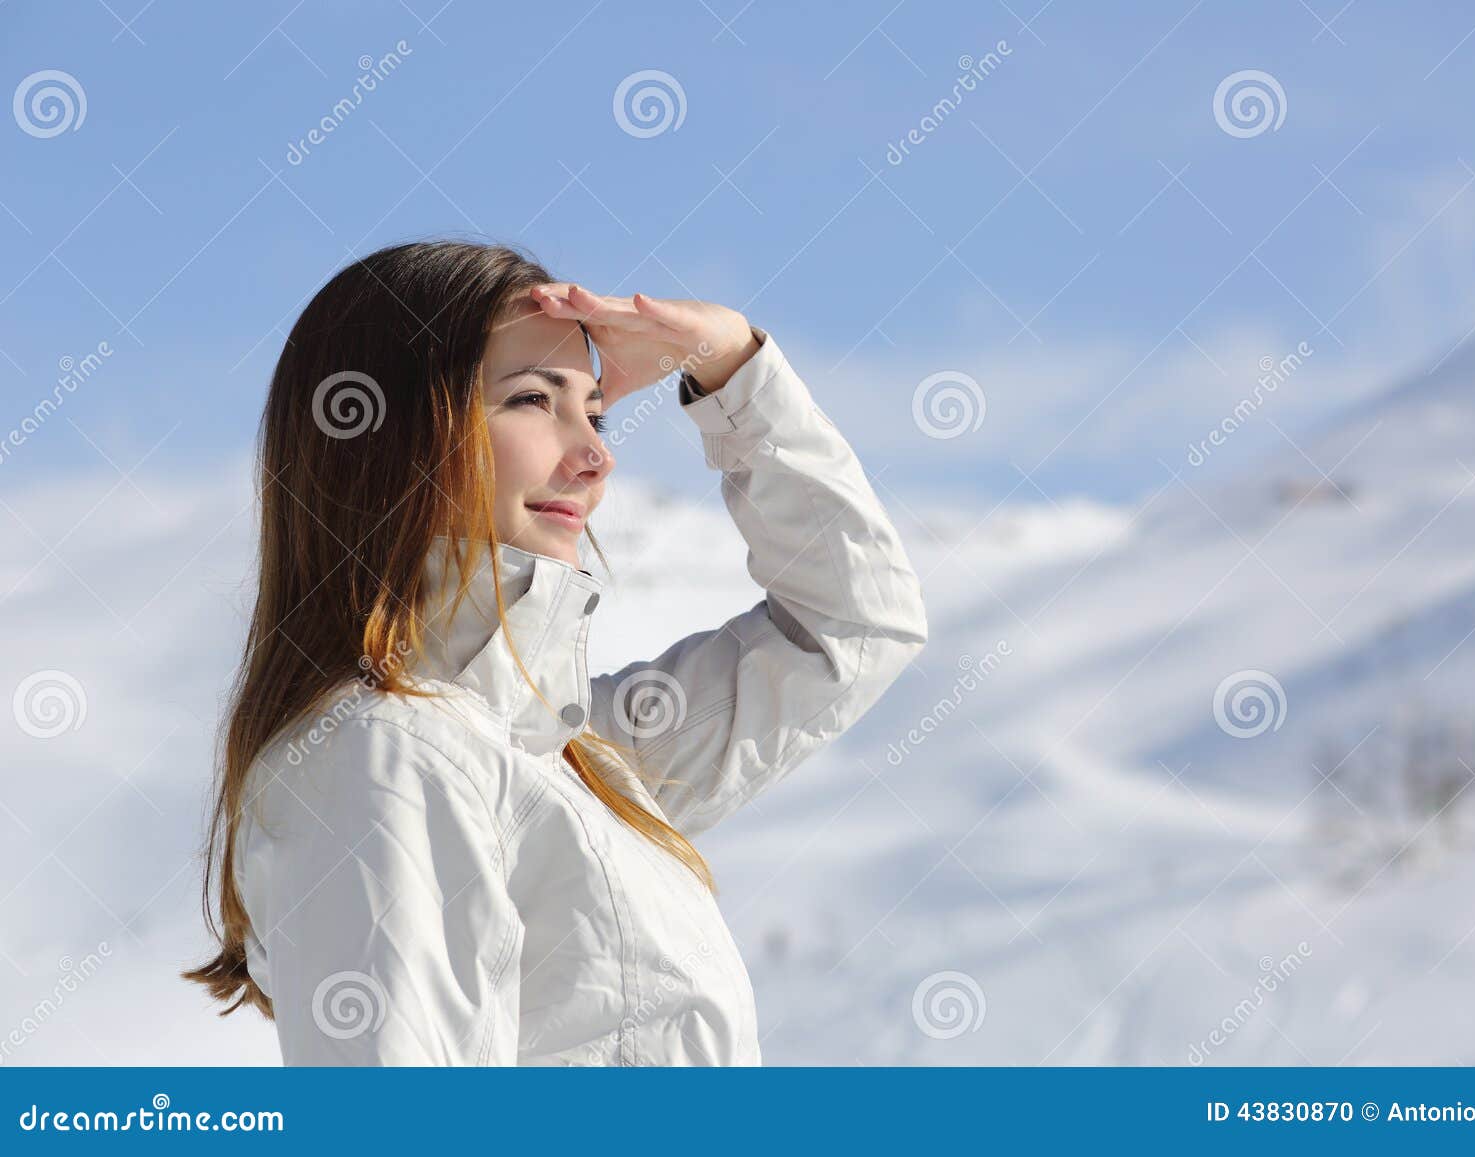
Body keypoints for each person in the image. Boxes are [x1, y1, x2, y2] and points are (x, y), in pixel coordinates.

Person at [183, 240, 929, 1064]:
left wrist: (731, 369)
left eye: (598, 412)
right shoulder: (386, 755)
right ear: (387, 432)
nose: (596, 455)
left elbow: (856, 622)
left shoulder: (579, 761)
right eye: (534, 399)